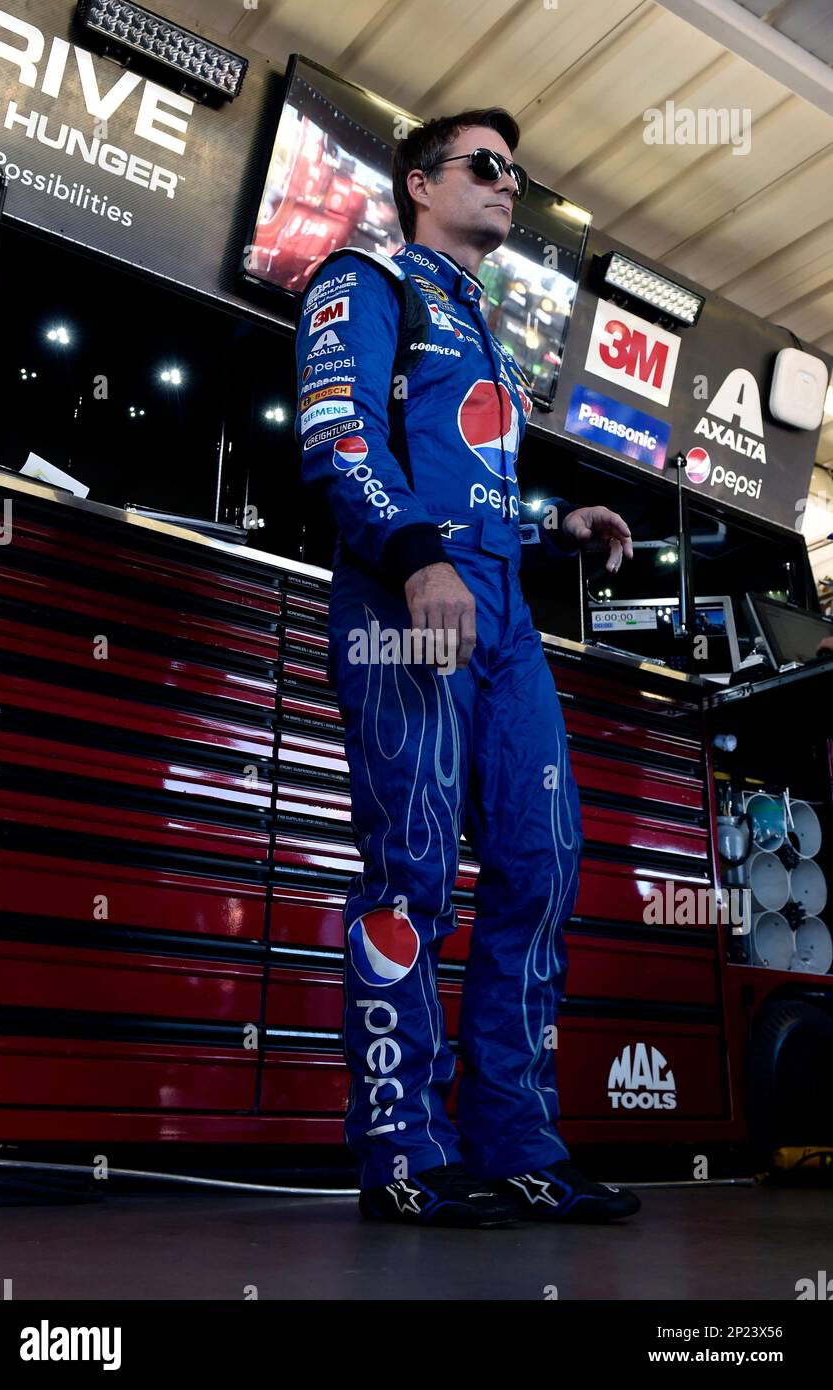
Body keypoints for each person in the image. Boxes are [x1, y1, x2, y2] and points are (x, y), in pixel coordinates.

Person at [294, 107, 641, 1228]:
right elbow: (339, 431)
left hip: (502, 620)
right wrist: (411, 561)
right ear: (417, 183)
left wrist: (554, 526)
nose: (506, 186)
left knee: (540, 867)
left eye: (516, 174)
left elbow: (472, 486)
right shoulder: (364, 278)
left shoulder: (485, 328)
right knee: (411, 870)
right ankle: (401, 1150)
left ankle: (515, 1142)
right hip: (406, 603)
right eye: (485, 167)